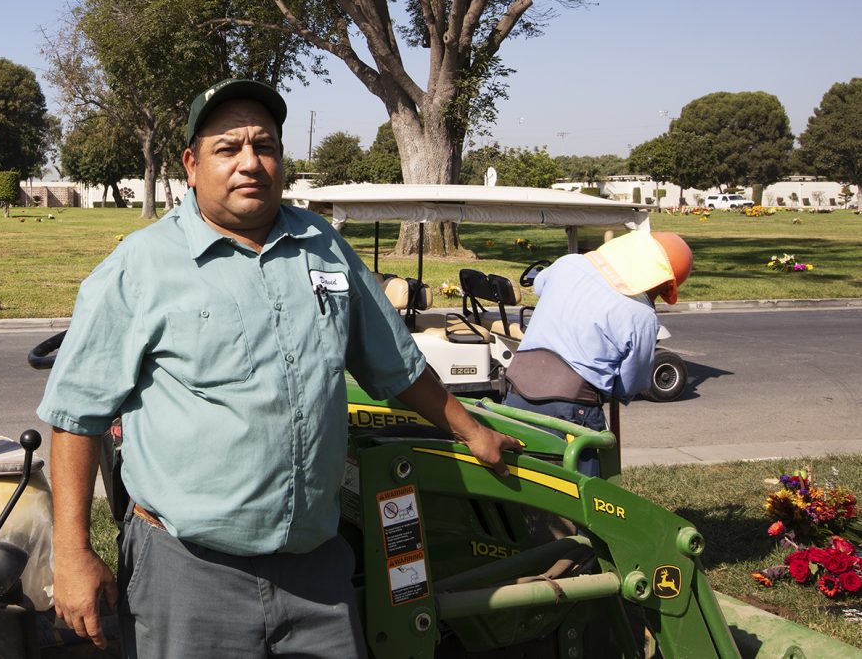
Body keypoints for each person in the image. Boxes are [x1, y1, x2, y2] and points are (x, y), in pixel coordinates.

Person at [36, 78, 521, 657]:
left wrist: (473, 432)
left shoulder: (323, 245)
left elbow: (395, 364)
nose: (251, 163)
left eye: (265, 146)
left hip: (316, 572)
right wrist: (71, 552)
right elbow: (75, 415)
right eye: (228, 148)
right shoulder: (140, 267)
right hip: (187, 575)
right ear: (191, 165)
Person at [503, 229, 693, 476]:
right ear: (665, 284)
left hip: (516, 392)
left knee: (528, 479)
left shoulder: (570, 264)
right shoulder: (641, 316)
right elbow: (630, 384)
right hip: (572, 410)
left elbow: (539, 284)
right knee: (582, 492)